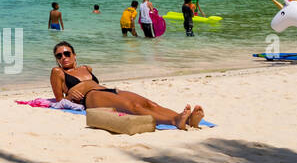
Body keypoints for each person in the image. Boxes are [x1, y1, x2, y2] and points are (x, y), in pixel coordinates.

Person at [50, 41, 203, 128]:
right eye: (59, 55)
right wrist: (69, 96)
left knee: (149, 103)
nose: (64, 57)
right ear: (56, 59)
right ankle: (173, 120)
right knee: (133, 107)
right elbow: (59, 101)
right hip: (91, 97)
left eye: (67, 53)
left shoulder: (86, 68)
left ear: (74, 55)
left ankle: (186, 119)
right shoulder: (58, 72)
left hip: (108, 91)